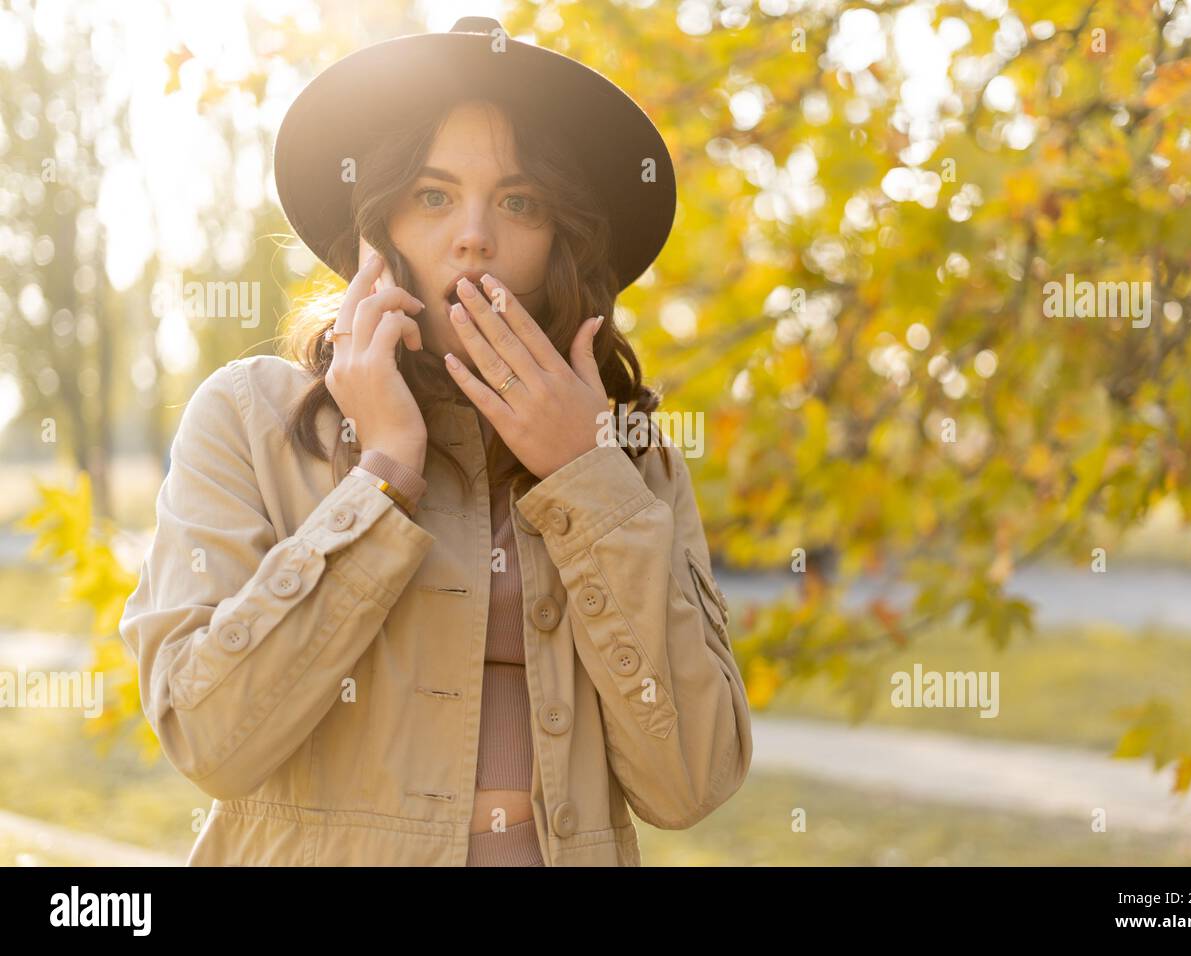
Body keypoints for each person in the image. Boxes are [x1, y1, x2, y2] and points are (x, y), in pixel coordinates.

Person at [118, 16, 752, 866]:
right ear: (377, 231)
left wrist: (584, 478)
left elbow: (691, 783)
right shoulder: (247, 417)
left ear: (562, 239)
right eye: (432, 194)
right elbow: (210, 741)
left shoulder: (630, 451)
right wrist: (381, 476)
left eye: (520, 202)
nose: (474, 235)